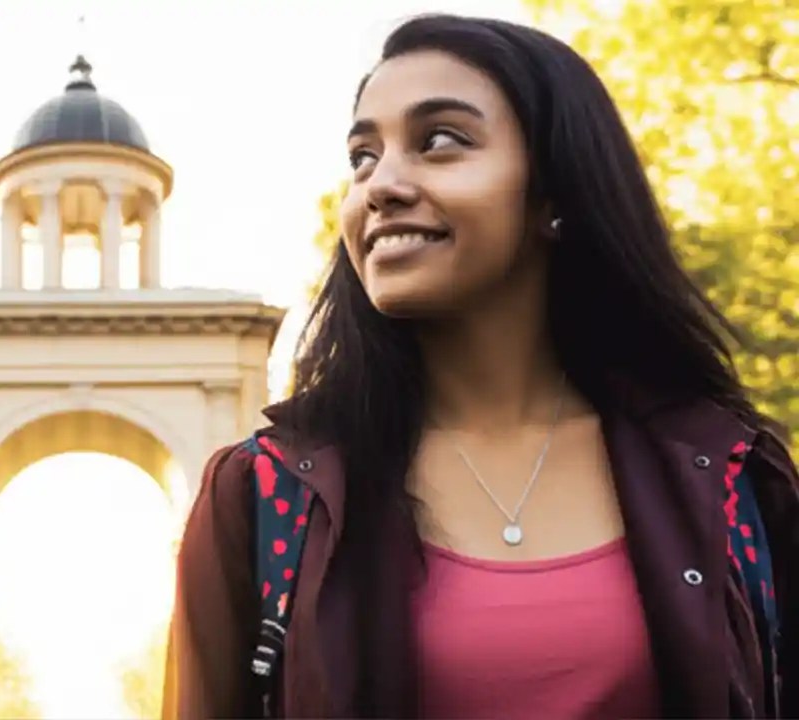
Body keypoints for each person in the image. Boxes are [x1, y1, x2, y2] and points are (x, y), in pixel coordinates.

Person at [171, 12, 799, 720]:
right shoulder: (265, 495)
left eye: (439, 141)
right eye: (363, 157)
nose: (381, 185)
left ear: (554, 194)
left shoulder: (733, 479)